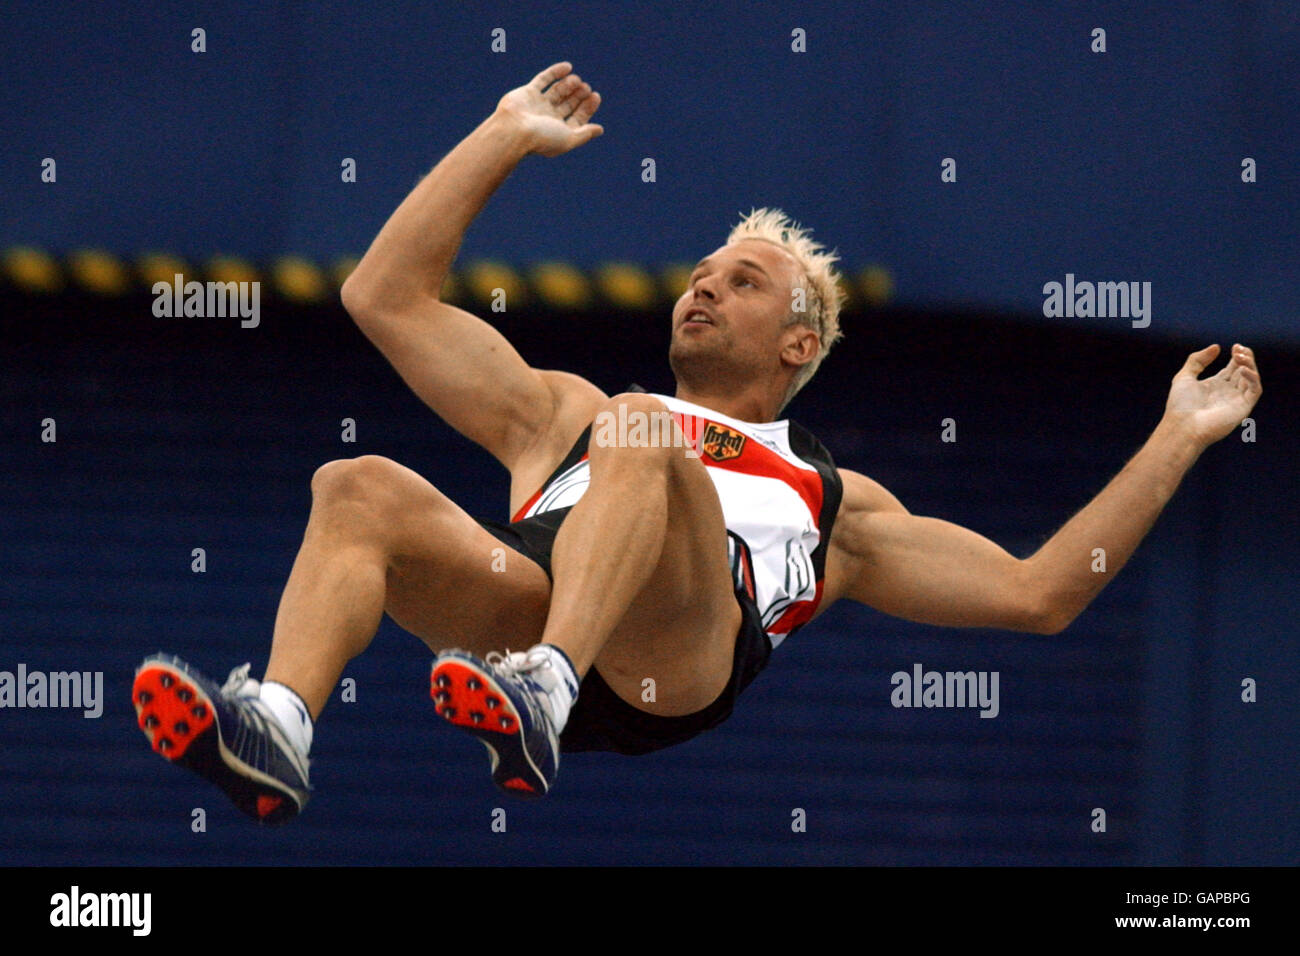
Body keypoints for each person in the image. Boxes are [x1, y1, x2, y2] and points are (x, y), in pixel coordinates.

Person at [132, 62, 1263, 822]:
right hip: (529, 611)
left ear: (798, 340)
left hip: (673, 662)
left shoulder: (834, 499)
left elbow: (1042, 593)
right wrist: (500, 136)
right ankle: (278, 725)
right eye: (703, 273)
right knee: (356, 482)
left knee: (640, 426)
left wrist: (1176, 432)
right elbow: (383, 295)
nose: (704, 286)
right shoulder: (556, 409)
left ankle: (546, 688)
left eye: (743, 280)